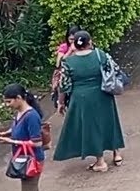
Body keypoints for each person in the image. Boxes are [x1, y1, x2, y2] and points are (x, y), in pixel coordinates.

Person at [53, 30, 126, 172]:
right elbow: (115, 69)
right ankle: (116, 153)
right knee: (109, 121)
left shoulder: (68, 62)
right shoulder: (100, 55)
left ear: (74, 44)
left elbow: (64, 85)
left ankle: (100, 162)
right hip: (102, 93)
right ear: (90, 42)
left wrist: (61, 103)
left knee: (91, 127)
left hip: (81, 98)